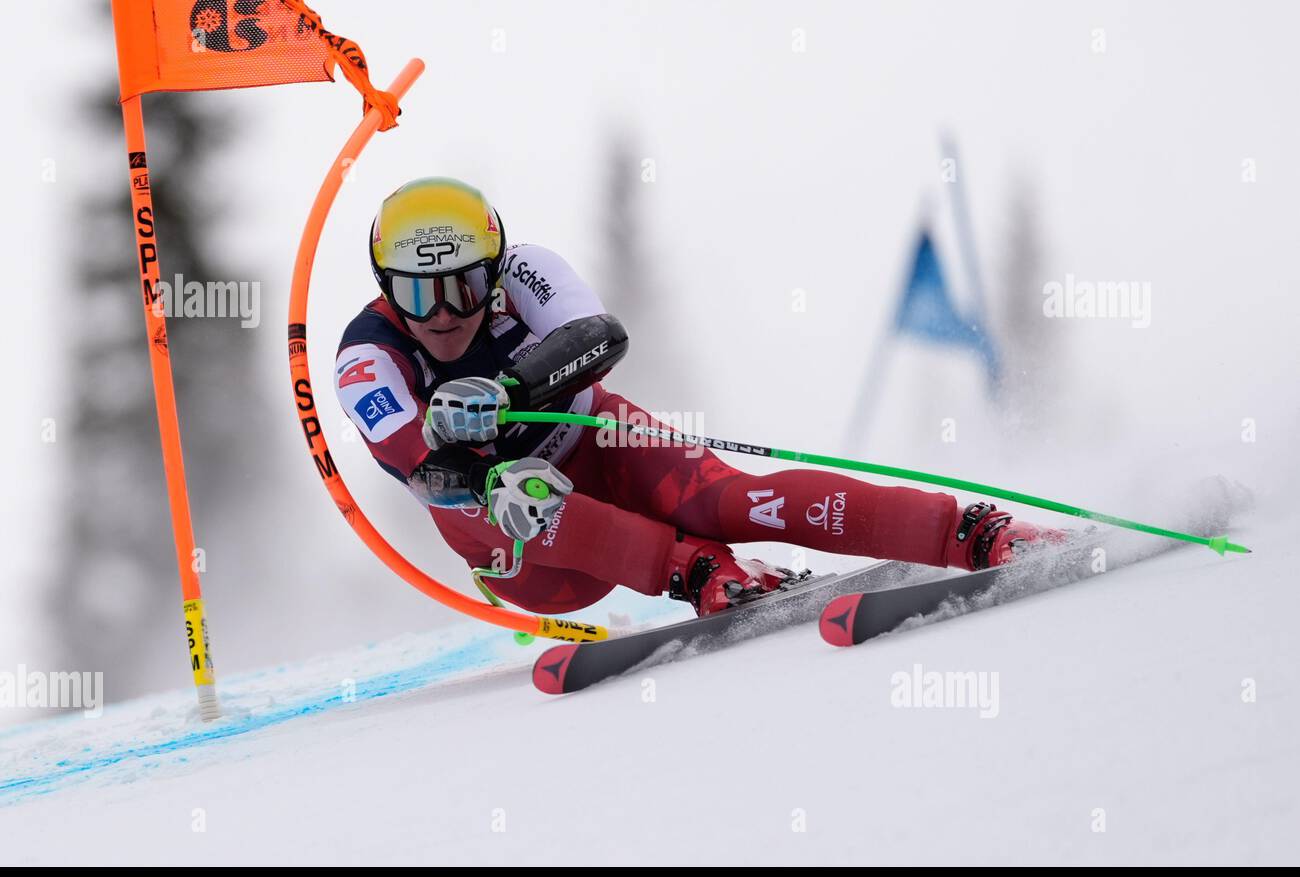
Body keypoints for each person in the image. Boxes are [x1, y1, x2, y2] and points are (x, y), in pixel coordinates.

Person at [335, 177, 1062, 616]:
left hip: (597, 440)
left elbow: (598, 338)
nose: (442, 314)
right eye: (417, 294)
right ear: (386, 288)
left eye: (463, 287)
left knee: (730, 501)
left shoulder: (526, 268)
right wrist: (478, 471)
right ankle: (698, 569)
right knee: (512, 497)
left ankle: (967, 531)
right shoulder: (366, 357)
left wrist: (509, 389)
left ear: (493, 273)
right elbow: (419, 469)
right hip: (536, 561)